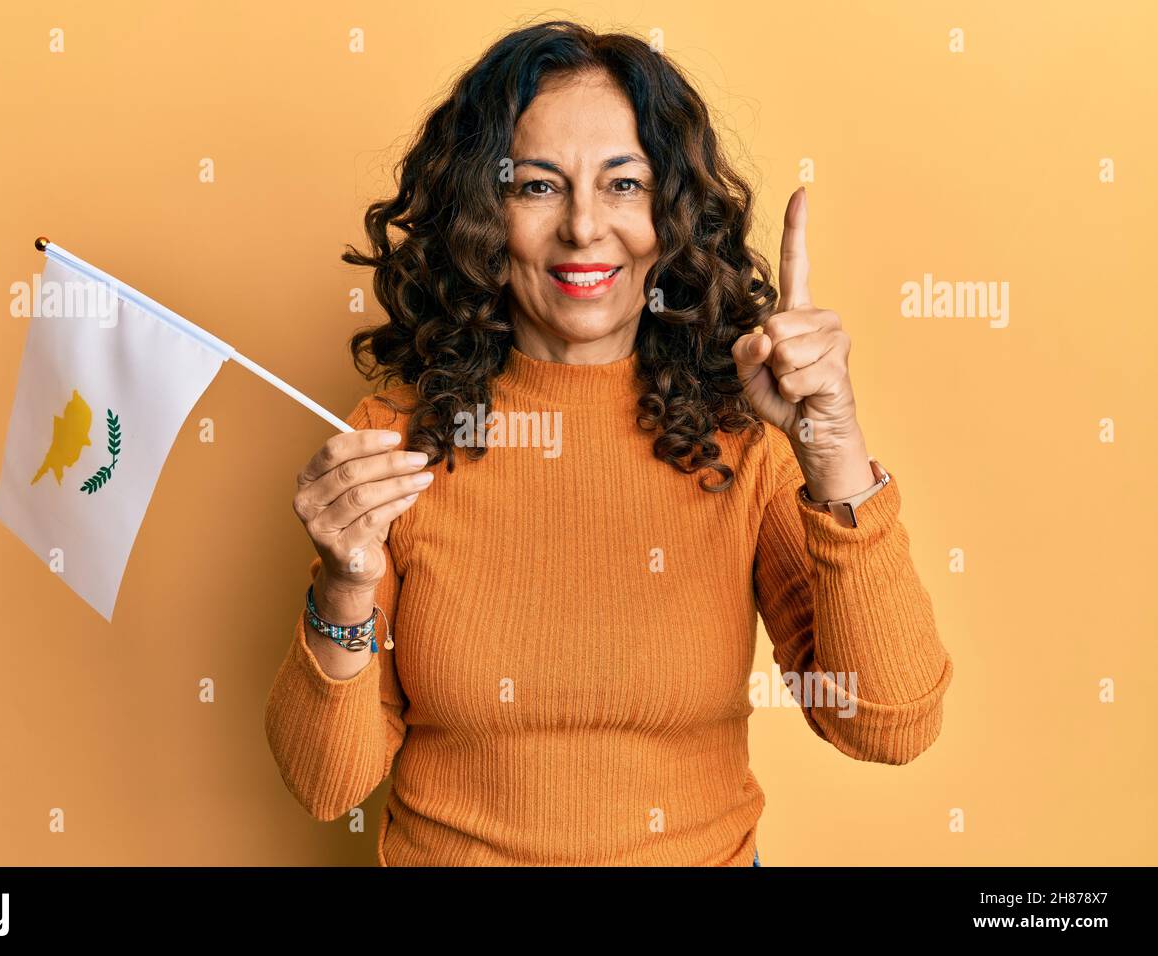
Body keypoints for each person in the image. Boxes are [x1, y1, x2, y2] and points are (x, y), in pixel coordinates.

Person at [264, 19, 953, 866]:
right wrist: (342, 589)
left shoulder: (749, 442)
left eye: (624, 184)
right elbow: (326, 785)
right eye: (539, 187)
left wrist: (833, 448)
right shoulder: (395, 443)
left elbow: (889, 721)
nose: (585, 228)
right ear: (485, 215)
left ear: (672, 216)